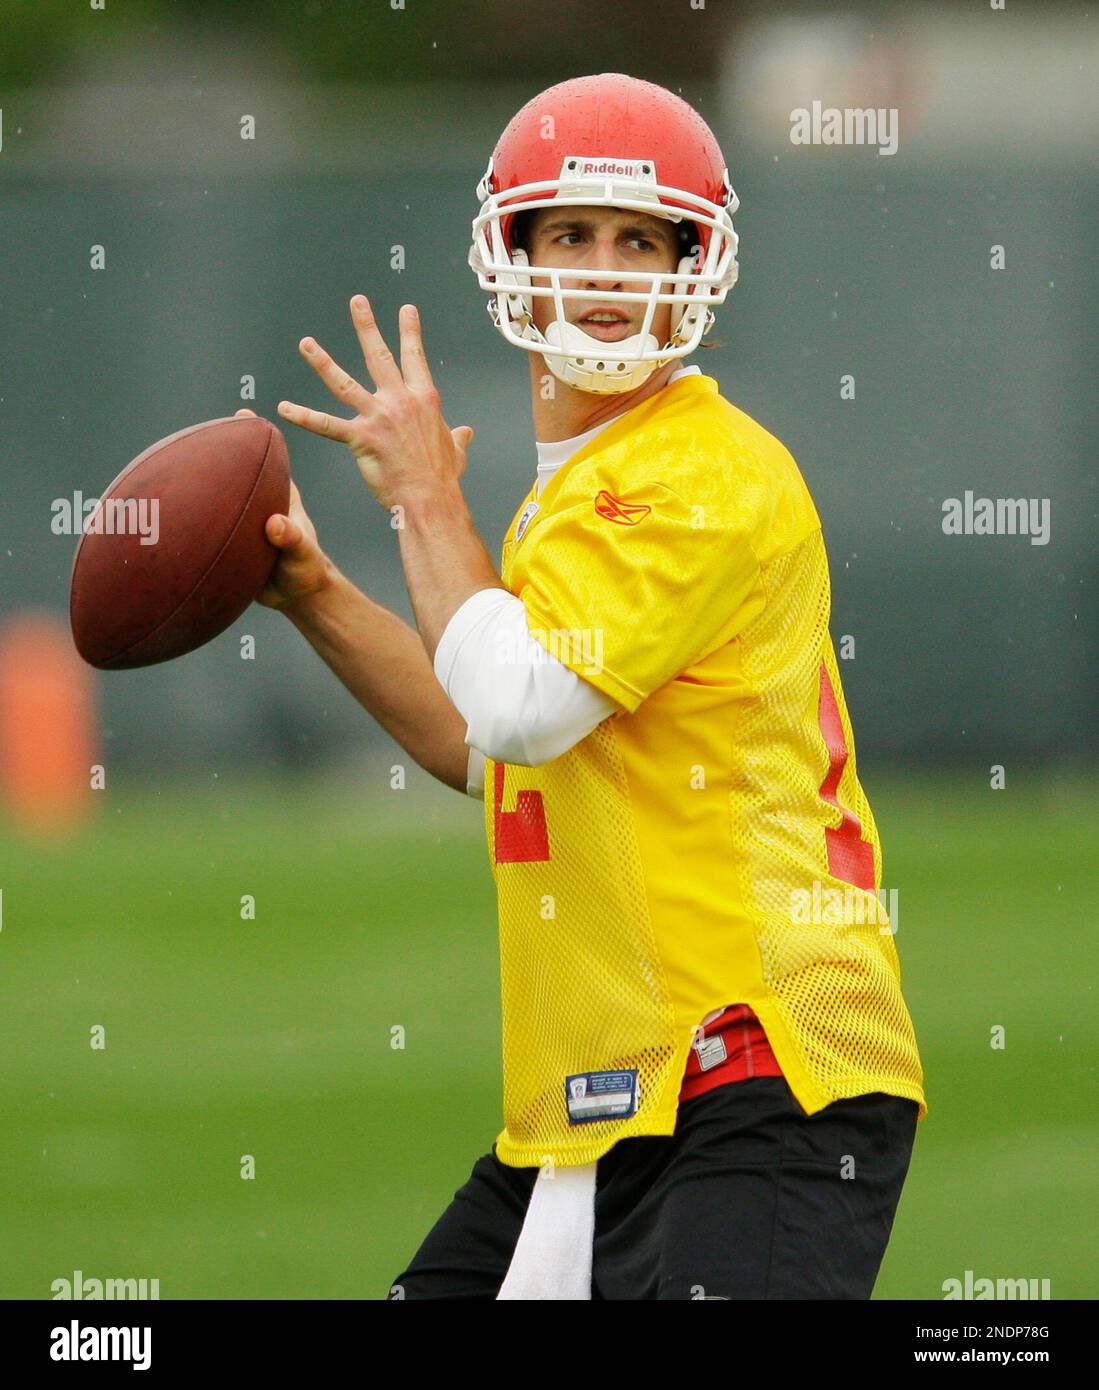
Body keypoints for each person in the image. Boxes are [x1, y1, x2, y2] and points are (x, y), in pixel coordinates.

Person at [246, 72, 926, 1300]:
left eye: (639, 240)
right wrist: (315, 594)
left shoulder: (703, 470)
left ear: (695, 266)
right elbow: (486, 742)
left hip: (761, 1072)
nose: (607, 272)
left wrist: (425, 504)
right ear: (514, 254)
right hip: (605, 1098)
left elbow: (516, 702)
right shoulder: (575, 494)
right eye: (572, 235)